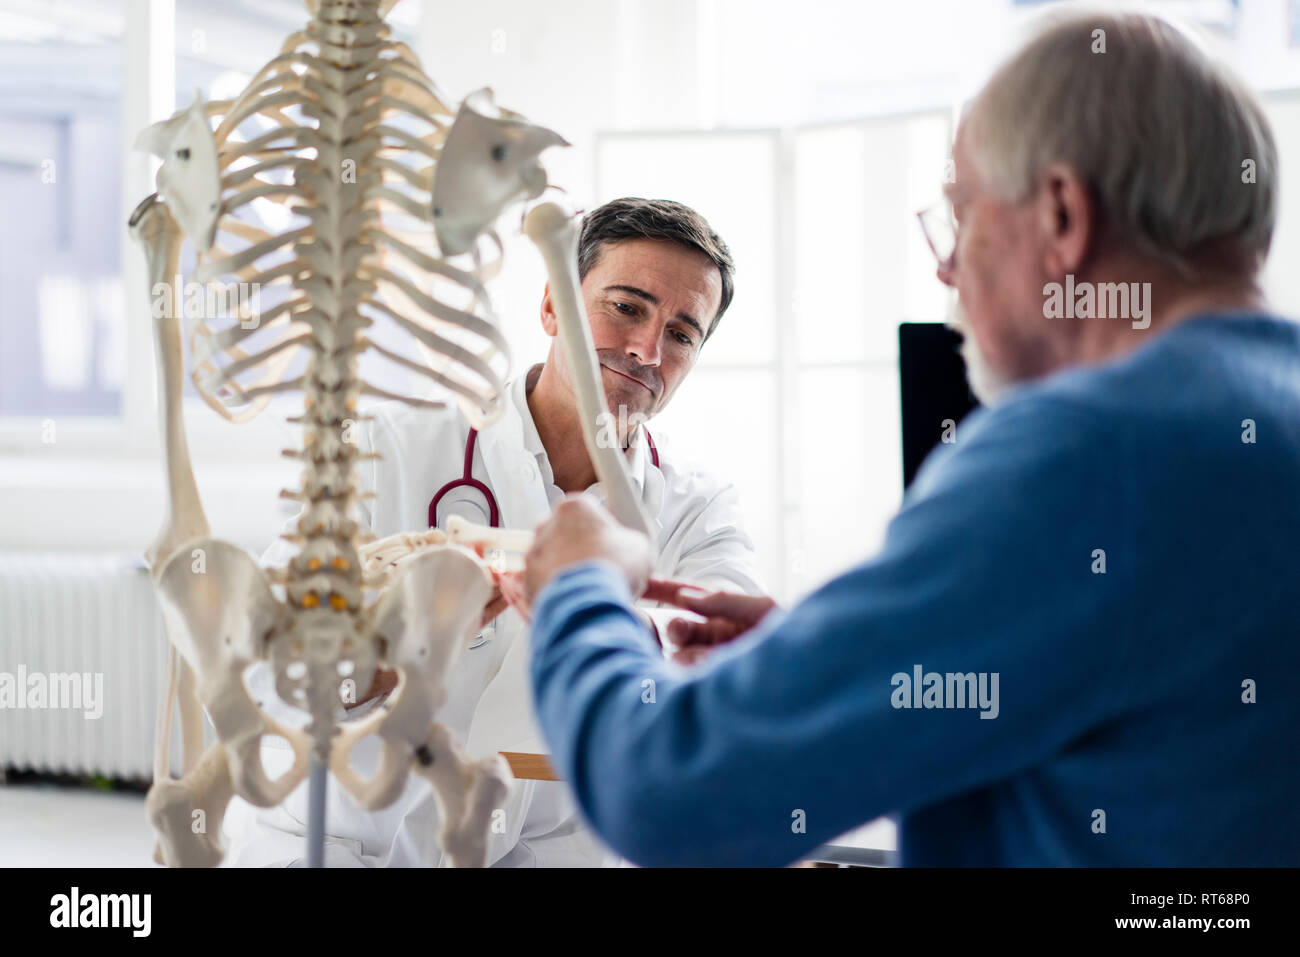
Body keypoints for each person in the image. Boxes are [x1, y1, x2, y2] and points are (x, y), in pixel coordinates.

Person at [520, 10, 1300, 866]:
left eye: (961, 219)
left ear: (1063, 215)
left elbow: (664, 788)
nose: (944, 267)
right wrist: (850, 668)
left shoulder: (1084, 453)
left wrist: (579, 585)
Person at [223, 197, 764, 867]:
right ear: (552, 306)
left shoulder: (696, 507)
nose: (646, 349)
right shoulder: (386, 449)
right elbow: (263, 664)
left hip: (539, 853)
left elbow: (731, 675)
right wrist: (384, 652)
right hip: (338, 845)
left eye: (681, 334)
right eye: (626, 307)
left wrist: (604, 613)